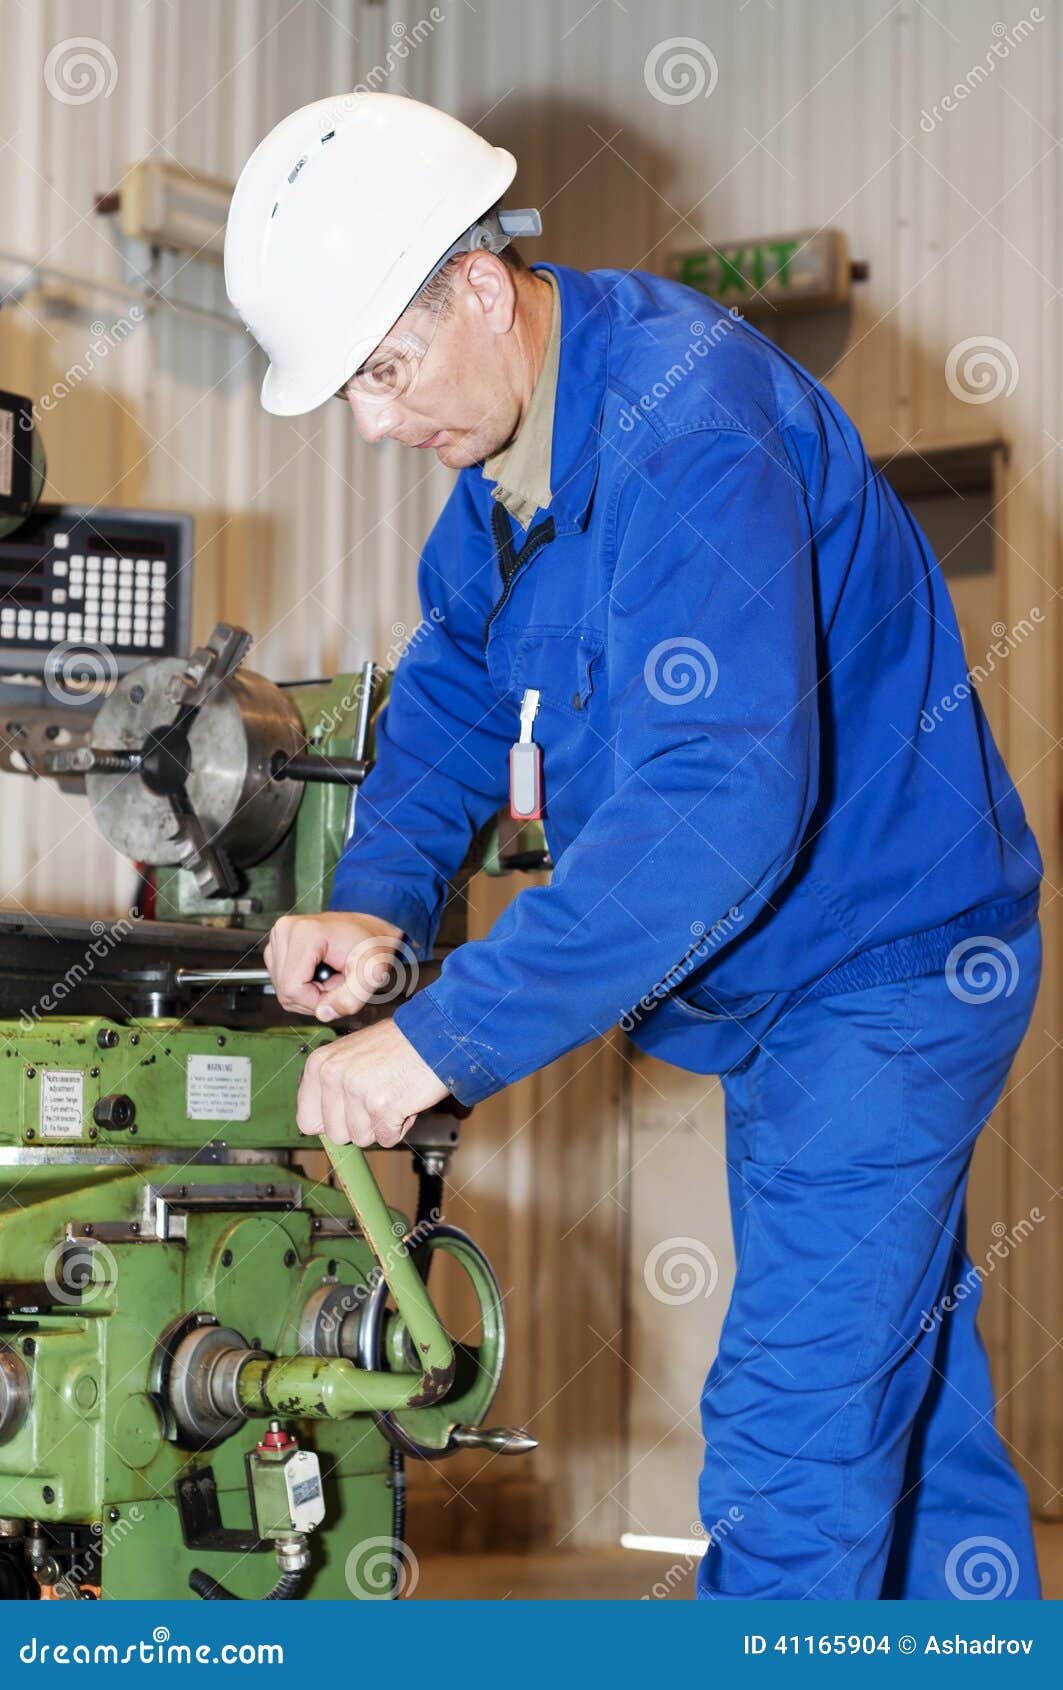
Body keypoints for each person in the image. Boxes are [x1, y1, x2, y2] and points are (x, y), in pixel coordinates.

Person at [225, 93, 1043, 1600]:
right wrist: (379, 902)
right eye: (350, 387)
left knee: (795, 1435)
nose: (376, 421)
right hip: (804, 983)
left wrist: (440, 1041)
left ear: (479, 286)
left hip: (889, 967)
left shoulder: (691, 429)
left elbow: (717, 811)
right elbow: (464, 687)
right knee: (901, 1414)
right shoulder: (510, 469)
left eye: (386, 368)